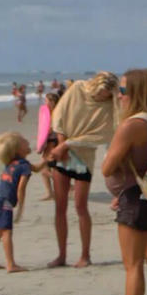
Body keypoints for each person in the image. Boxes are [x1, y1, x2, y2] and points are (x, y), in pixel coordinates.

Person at [101, 69, 147, 295]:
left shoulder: (132, 125)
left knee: (133, 266)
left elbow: (107, 168)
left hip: (134, 199)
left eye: (122, 91)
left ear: (135, 93)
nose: (119, 96)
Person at [48, 71, 119, 268]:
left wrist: (68, 144)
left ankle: (85, 255)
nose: (101, 97)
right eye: (100, 93)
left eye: (106, 95)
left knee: (80, 205)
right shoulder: (78, 88)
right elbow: (59, 114)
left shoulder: (109, 107)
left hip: (84, 156)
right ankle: (61, 255)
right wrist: (61, 143)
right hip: (61, 152)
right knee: (60, 206)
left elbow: (102, 134)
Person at [0, 131, 45, 272]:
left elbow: (36, 168)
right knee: (6, 232)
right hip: (4, 200)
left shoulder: (14, 163)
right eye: (24, 141)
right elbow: (21, 188)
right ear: (18, 149)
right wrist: (21, 208)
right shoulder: (23, 165)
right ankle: (11, 264)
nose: (27, 141)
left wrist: (47, 160)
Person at [37, 93, 60, 200]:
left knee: (45, 168)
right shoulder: (46, 112)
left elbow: (57, 128)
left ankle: (69, 186)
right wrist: (40, 142)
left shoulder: (58, 113)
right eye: (46, 101)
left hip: (54, 142)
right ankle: (50, 193)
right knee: (46, 169)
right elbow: (42, 127)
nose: (47, 103)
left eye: (49, 101)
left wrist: (50, 130)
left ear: (54, 102)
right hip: (48, 142)